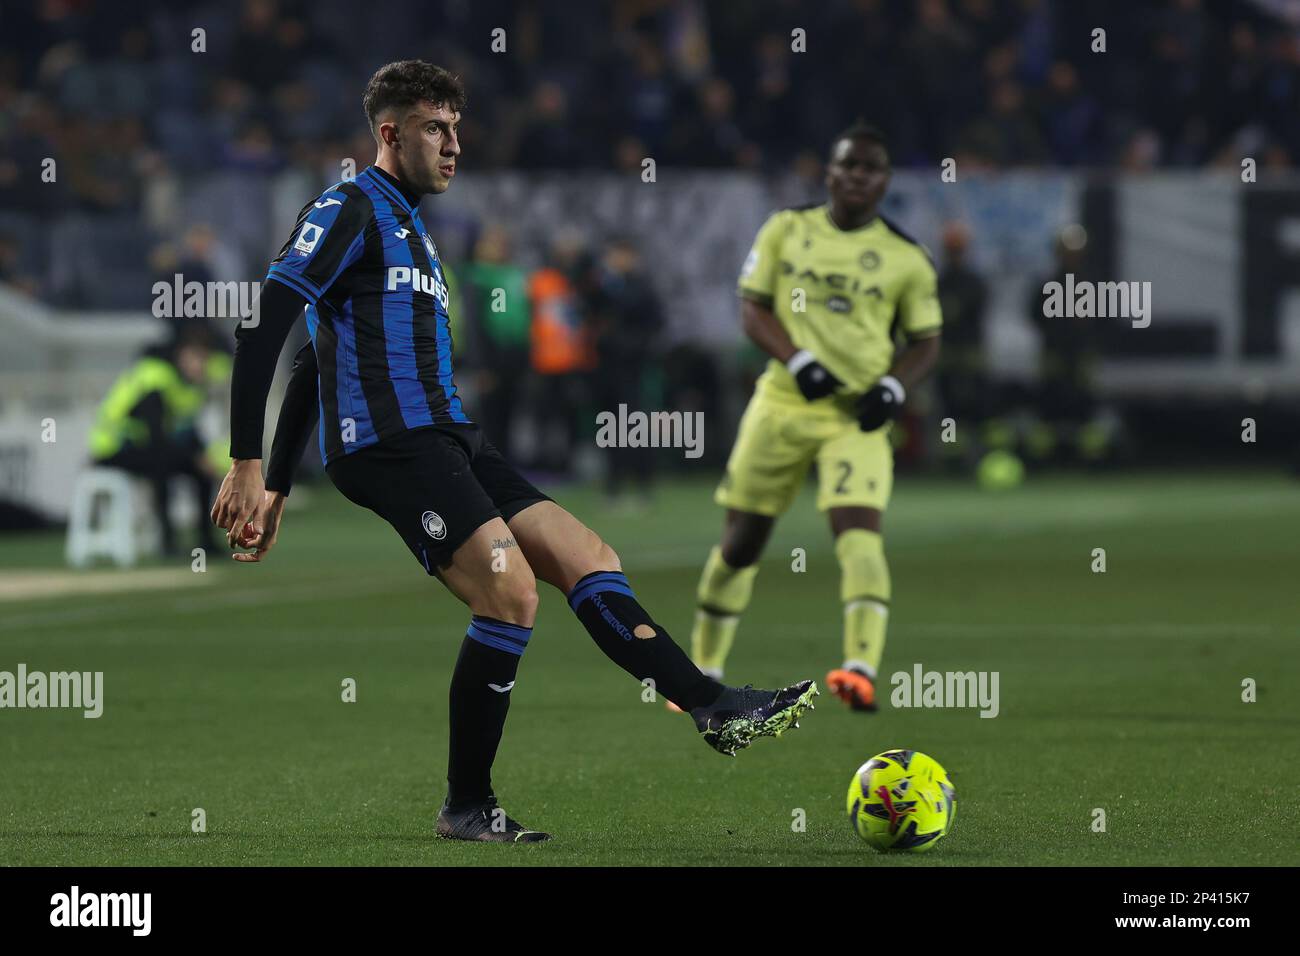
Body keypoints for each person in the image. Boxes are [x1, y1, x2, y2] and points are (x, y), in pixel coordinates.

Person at [210, 60, 816, 844]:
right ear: (390, 133)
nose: (454, 144)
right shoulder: (349, 207)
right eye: (436, 127)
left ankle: (709, 704)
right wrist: (250, 463)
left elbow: (314, 362)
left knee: (588, 554)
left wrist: (284, 487)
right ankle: (467, 805)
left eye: (458, 128)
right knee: (512, 592)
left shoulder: (413, 230)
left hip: (452, 437)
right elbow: (267, 331)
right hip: (392, 444)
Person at [687, 122, 942, 714]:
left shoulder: (907, 258)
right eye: (846, 165)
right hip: (780, 403)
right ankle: (701, 669)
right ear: (828, 172)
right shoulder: (786, 228)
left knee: (858, 532)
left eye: (869, 168)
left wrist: (892, 388)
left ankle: (859, 668)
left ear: (884, 181)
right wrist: (798, 360)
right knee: (742, 542)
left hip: (855, 417)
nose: (856, 176)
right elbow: (752, 309)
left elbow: (926, 342)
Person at [89, 326, 219, 556]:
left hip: (144, 446)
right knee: (163, 465)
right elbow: (156, 435)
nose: (199, 364)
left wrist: (202, 457)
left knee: (202, 472)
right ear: (180, 356)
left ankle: (206, 541)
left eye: (203, 358)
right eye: (194, 357)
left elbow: (187, 430)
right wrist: (194, 456)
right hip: (112, 448)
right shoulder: (155, 377)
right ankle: (167, 543)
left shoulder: (190, 386)